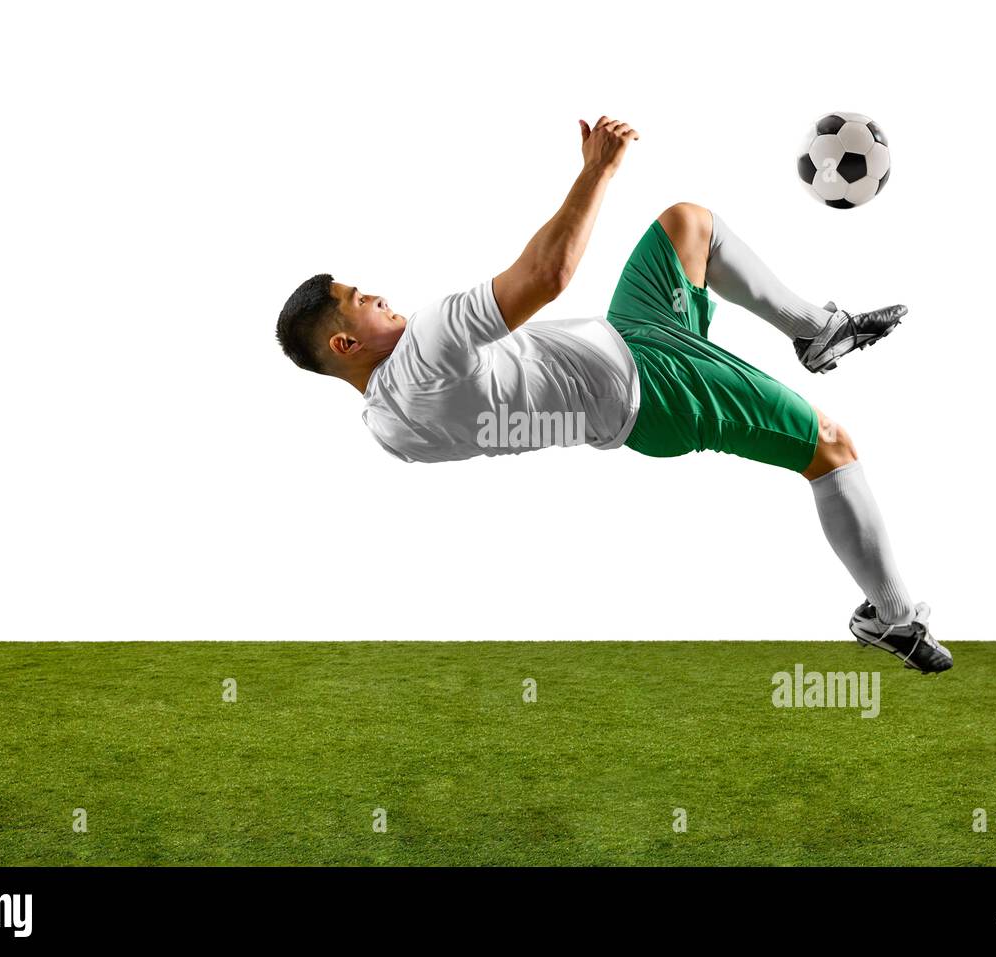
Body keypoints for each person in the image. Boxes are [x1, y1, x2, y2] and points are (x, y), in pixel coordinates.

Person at [275, 116, 951, 673]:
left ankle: (819, 332)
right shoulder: (425, 346)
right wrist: (598, 168)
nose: (376, 295)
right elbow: (547, 273)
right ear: (343, 345)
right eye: (358, 300)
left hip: (629, 340)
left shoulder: (386, 427)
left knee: (688, 224)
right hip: (653, 386)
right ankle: (894, 618)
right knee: (831, 447)